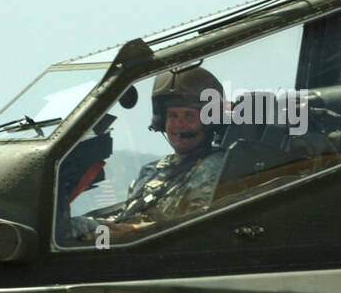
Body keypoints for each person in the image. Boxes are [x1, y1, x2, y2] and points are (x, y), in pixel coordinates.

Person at [70, 67, 226, 240]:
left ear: (208, 122)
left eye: (189, 116)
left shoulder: (214, 167)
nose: (179, 124)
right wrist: (95, 225)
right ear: (162, 121)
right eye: (173, 116)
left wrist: (136, 231)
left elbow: (195, 227)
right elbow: (129, 216)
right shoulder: (152, 170)